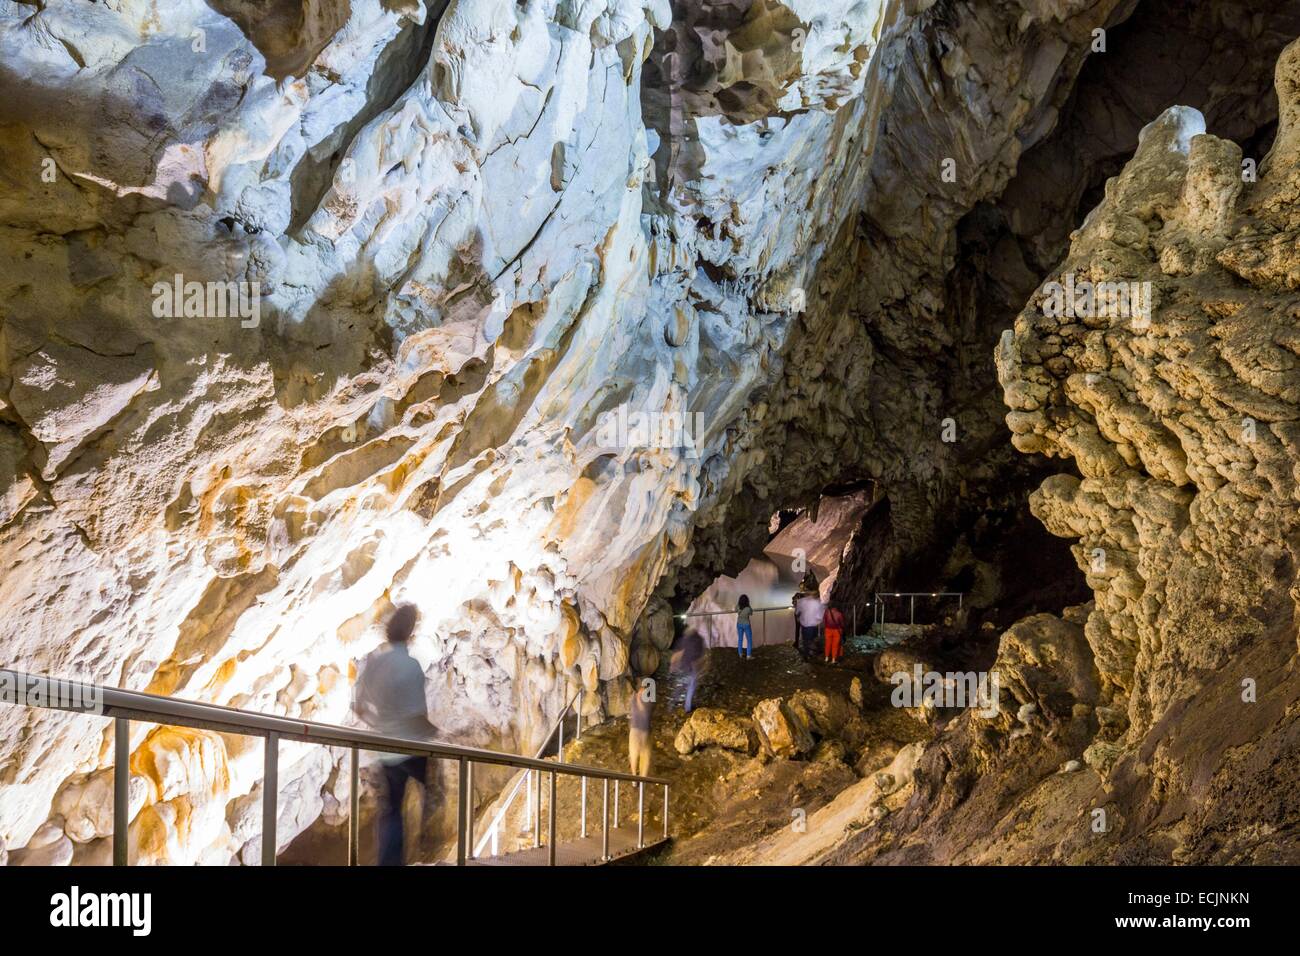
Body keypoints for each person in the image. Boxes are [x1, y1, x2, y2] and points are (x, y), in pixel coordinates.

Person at [353, 604, 436, 866]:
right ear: (410, 633)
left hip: (387, 749)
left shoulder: (374, 664)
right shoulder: (410, 666)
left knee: (390, 809)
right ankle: (430, 844)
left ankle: (390, 861)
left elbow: (359, 706)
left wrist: (380, 725)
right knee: (433, 794)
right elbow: (417, 713)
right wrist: (435, 732)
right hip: (413, 747)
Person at [670, 627, 705, 713]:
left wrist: (673, 665)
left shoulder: (683, 640)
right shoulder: (699, 640)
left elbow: (677, 653)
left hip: (682, 666)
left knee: (679, 686)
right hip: (692, 667)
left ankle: (672, 703)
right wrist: (701, 666)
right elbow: (700, 655)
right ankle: (687, 708)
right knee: (691, 688)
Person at [628, 677, 654, 776]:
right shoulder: (634, 698)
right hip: (636, 731)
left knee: (645, 757)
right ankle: (634, 777)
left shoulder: (648, 702)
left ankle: (642, 778)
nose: (641, 691)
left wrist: (639, 699)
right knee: (634, 755)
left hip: (644, 732)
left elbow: (645, 714)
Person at [795, 590, 825, 661]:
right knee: (813, 638)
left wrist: (799, 618)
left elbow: (797, 612)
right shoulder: (818, 602)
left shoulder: (801, 601)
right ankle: (813, 653)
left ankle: (807, 654)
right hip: (814, 624)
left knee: (806, 640)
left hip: (805, 624)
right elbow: (820, 615)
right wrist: (819, 621)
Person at [736, 594, 754, 660]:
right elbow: (751, 613)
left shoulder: (738, 606)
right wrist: (749, 605)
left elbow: (736, 610)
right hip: (746, 625)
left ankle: (740, 654)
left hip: (739, 624)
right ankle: (748, 655)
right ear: (747, 601)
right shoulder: (748, 608)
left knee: (740, 639)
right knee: (749, 640)